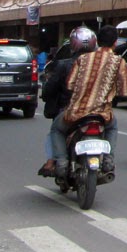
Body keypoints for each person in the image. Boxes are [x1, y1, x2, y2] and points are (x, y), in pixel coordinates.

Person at [51, 25, 127, 180]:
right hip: (102, 115)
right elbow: (124, 91)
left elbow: (70, 85)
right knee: (113, 127)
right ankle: (108, 159)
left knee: (57, 130)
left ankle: (61, 162)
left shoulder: (82, 59)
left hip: (76, 112)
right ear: (115, 43)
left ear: (98, 41)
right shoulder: (119, 62)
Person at [37, 27, 92, 177]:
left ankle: (57, 161)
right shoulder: (99, 66)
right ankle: (108, 159)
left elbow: (50, 89)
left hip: (70, 111)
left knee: (55, 130)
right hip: (96, 111)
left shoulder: (64, 65)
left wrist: (46, 94)